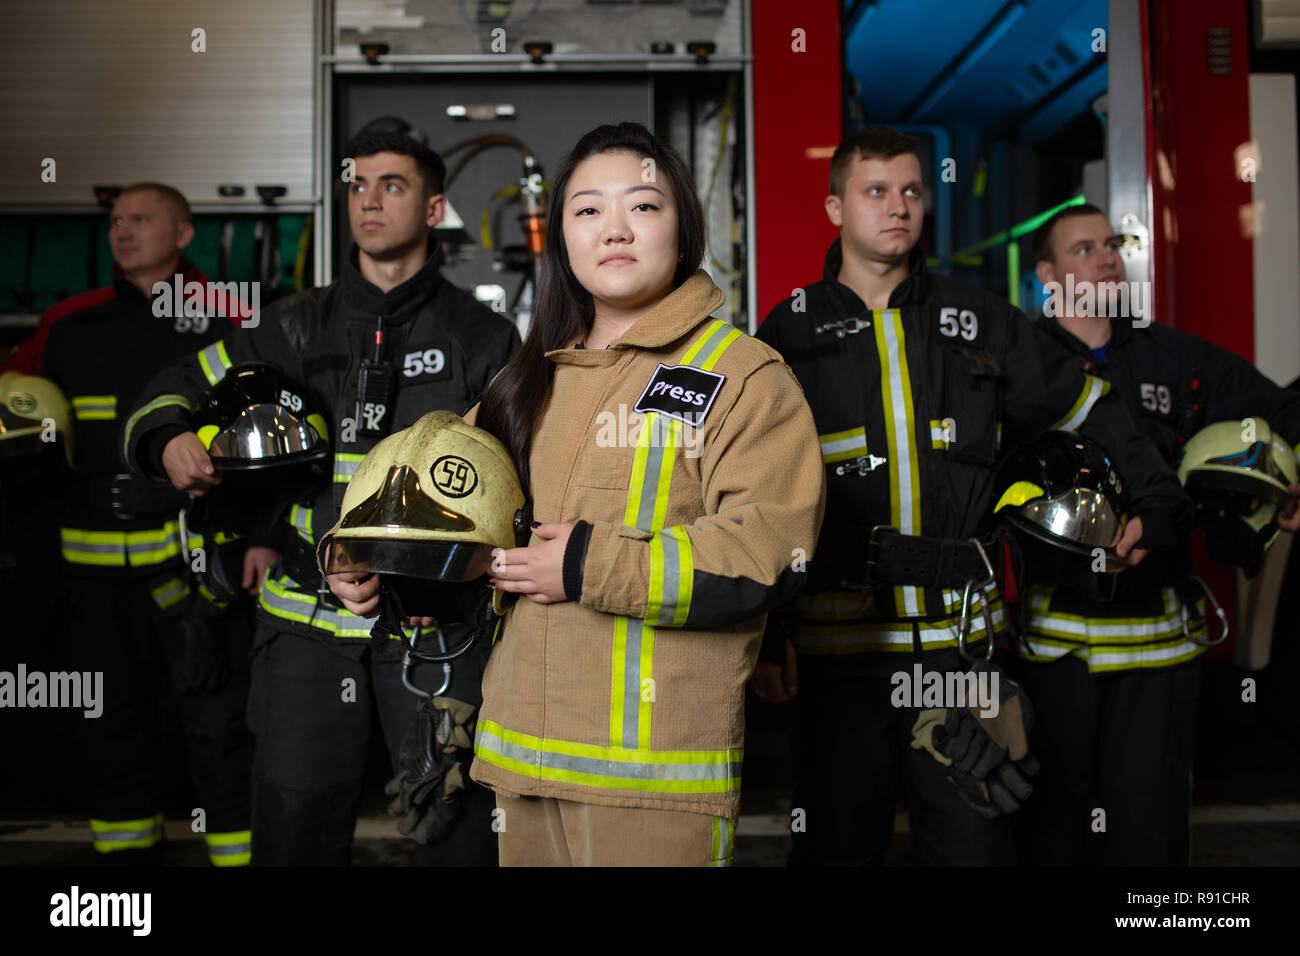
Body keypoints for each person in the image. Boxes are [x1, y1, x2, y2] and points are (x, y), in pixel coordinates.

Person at [329, 121, 827, 866]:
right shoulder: (529, 380)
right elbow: (438, 501)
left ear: (683, 231)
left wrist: (586, 566)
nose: (615, 229)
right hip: (524, 768)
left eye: (644, 207)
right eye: (588, 210)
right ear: (561, 239)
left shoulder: (743, 376)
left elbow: (768, 556)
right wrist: (356, 551)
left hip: (654, 787)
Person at [753, 127, 1190, 866]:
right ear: (835, 206)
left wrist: (1156, 498)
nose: (900, 207)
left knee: (974, 850)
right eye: (877, 191)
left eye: (913, 191)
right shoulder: (788, 332)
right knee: (834, 847)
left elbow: (1092, 408)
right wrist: (768, 637)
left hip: (962, 657)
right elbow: (759, 495)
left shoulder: (979, 319)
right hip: (840, 660)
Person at [123, 129, 520, 866]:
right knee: (295, 833)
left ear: (434, 208)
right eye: (357, 184)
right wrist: (168, 437)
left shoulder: (484, 336)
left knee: (455, 833)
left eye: (392, 185)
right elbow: (175, 386)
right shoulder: (288, 323)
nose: (368, 199)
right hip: (305, 631)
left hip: (436, 629)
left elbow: (522, 482)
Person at [1008, 202, 1300, 865]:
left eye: (1112, 244)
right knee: (1052, 837)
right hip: (1055, 656)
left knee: (1151, 842)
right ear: (1049, 276)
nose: (1107, 257)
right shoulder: (1019, 364)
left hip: (1161, 651)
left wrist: (1291, 479)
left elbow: (1282, 410)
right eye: (1086, 249)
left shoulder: (1172, 355)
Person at [30, 182, 256, 865]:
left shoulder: (229, 321)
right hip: (93, 579)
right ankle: (125, 877)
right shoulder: (69, 326)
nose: (123, 231)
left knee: (218, 723)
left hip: (195, 570)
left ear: (184, 234)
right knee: (108, 722)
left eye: (142, 218)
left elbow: (260, 442)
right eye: (116, 220)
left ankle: (237, 857)